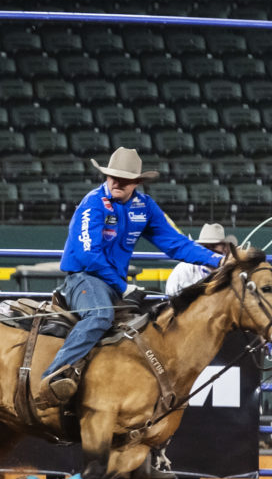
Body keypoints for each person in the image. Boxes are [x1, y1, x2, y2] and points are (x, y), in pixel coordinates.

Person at [36, 148, 223, 411]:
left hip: (112, 282)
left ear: (137, 183)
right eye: (112, 176)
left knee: (144, 329)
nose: (116, 182)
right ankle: (52, 379)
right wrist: (124, 287)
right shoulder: (92, 204)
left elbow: (175, 243)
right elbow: (89, 256)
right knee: (100, 315)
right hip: (84, 278)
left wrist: (217, 261)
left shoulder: (144, 207)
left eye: (124, 179)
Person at [162, 223, 236, 479]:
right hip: (182, 354)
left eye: (218, 246)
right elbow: (171, 310)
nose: (215, 250)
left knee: (195, 420)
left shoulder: (228, 275)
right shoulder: (184, 271)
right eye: (209, 247)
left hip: (208, 354)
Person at [165, 223, 236, 296]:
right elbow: (171, 296)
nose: (209, 250)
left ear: (225, 247)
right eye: (205, 246)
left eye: (214, 245)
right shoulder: (184, 269)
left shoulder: (230, 270)